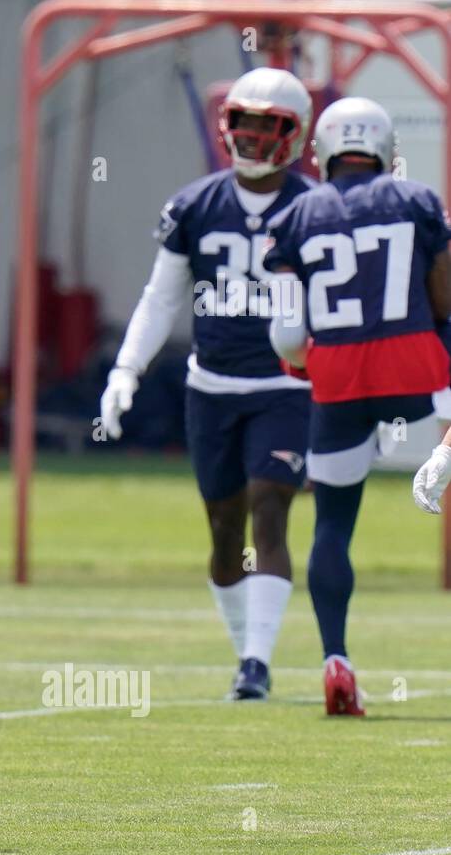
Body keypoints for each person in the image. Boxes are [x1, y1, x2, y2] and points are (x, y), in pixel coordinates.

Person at [98, 69, 316, 699]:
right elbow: (161, 298)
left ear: (292, 134)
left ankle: (256, 665)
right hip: (212, 386)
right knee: (225, 531)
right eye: (243, 124)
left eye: (266, 127)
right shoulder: (195, 204)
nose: (251, 138)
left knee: (270, 509)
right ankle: (243, 649)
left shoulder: (311, 207)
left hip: (285, 386)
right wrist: (124, 369)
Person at [266, 96, 451, 715]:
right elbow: (445, 299)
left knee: (332, 526)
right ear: (385, 149)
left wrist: (304, 366)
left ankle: (335, 659)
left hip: (339, 372)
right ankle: (445, 453)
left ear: (321, 151)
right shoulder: (418, 201)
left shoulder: (297, 214)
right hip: (414, 360)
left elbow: (290, 335)